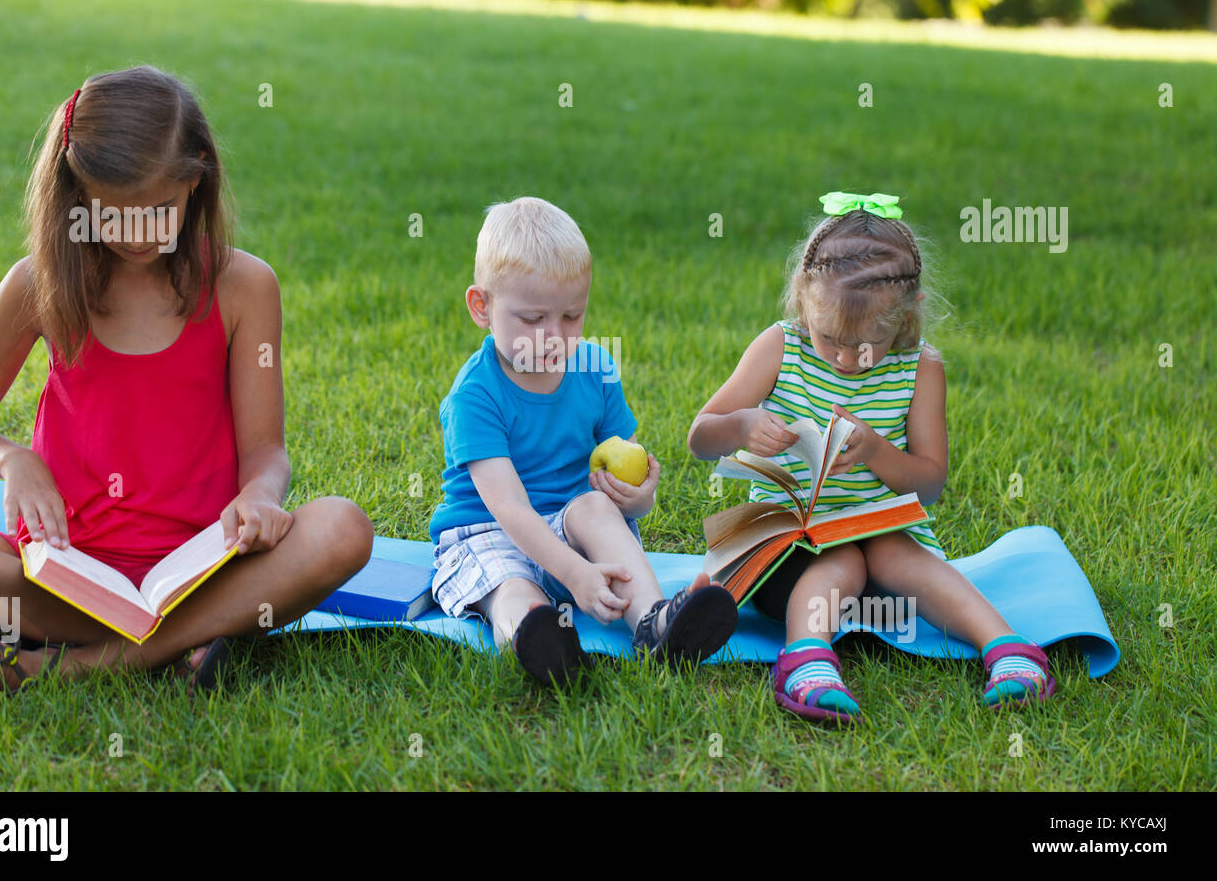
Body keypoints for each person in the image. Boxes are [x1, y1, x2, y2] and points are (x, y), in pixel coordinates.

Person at [0, 66, 372, 695]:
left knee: (343, 528)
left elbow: (266, 453)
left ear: (198, 178)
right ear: (77, 194)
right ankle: (187, 643)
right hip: (63, 576)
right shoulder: (38, 283)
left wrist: (261, 498)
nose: (136, 233)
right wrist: (12, 460)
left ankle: (78, 662)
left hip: (201, 574)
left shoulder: (244, 287)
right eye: (112, 213)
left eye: (159, 210)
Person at [687, 192, 1055, 723]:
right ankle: (807, 659)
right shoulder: (779, 348)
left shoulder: (920, 368)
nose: (843, 358)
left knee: (881, 550)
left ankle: (1007, 649)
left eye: (866, 346)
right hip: (785, 554)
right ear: (802, 297)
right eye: (829, 338)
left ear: (906, 316)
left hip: (888, 575)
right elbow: (700, 437)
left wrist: (878, 451)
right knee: (843, 557)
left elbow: (929, 485)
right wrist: (742, 427)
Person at [428, 196, 737, 684]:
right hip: (489, 534)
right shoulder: (475, 395)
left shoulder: (594, 368)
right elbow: (509, 509)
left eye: (572, 316)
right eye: (533, 319)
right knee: (511, 590)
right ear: (481, 307)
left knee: (594, 508)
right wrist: (573, 573)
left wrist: (639, 497)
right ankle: (540, 643)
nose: (555, 335)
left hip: (570, 527)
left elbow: (622, 469)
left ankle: (656, 625)